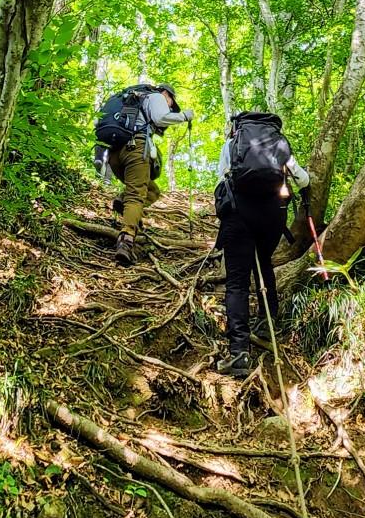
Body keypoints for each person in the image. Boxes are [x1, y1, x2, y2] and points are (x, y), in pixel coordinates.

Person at [213, 110, 310, 376]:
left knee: (237, 282)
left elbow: (222, 178)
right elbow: (302, 178)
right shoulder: (279, 144)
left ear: (237, 127)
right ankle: (267, 323)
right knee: (264, 263)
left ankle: (239, 353)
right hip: (272, 215)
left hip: (238, 215)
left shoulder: (232, 144)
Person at [94, 81, 193, 264]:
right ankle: (126, 241)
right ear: (166, 94)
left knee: (152, 190)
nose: (170, 105)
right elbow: (161, 118)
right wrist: (184, 116)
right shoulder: (155, 96)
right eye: (171, 102)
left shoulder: (128, 100)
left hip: (114, 154)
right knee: (136, 196)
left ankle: (124, 203)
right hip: (135, 148)